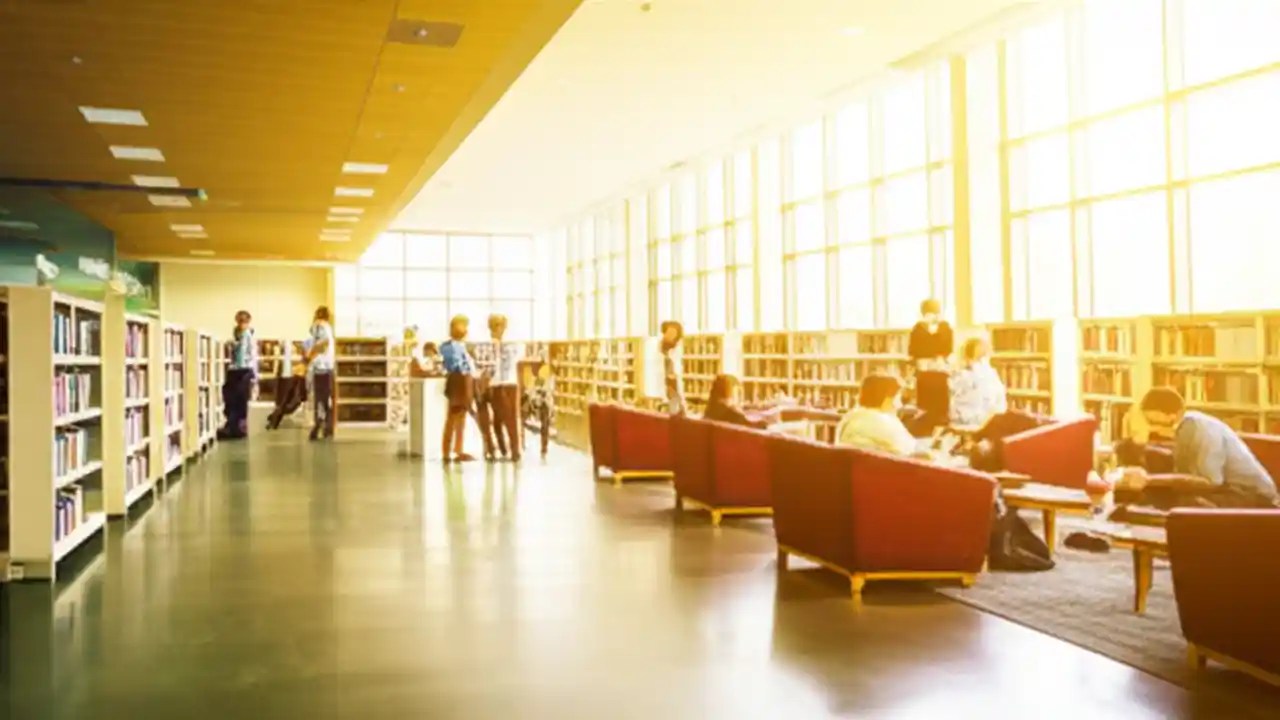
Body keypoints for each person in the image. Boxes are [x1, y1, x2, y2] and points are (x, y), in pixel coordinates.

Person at [1119, 387, 1279, 509]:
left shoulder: (1197, 427)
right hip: (1227, 488)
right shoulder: (1185, 427)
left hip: (1252, 496)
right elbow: (1183, 468)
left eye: (1153, 421)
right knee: (1156, 487)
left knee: (1185, 502)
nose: (1152, 428)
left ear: (1173, 415)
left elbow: (1209, 482)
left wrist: (1149, 480)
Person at [835, 374, 919, 456]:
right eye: (897, 398)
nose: (899, 405)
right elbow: (910, 449)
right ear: (887, 398)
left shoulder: (851, 417)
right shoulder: (883, 421)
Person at [477, 314, 523, 462]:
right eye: (496, 325)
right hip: (497, 384)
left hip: (508, 383)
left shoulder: (510, 344)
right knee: (500, 418)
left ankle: (514, 450)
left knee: (510, 418)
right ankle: (504, 449)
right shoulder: (488, 344)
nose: (499, 328)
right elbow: (486, 365)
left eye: (501, 325)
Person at [440, 315, 477, 462]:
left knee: (461, 417)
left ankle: (458, 449)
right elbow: (455, 365)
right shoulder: (448, 347)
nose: (465, 330)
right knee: (453, 416)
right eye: (463, 326)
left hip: (465, 382)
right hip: (457, 382)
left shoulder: (464, 346)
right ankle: (446, 451)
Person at [949, 336, 1007, 428]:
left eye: (984, 355)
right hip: (971, 419)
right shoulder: (961, 375)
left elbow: (1000, 397)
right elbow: (954, 398)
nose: (982, 360)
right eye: (979, 357)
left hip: (991, 417)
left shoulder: (991, 373)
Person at [218, 310, 256, 440]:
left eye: (244, 321)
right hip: (239, 370)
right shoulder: (239, 334)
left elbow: (243, 354)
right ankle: (235, 427)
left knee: (238, 399)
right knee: (235, 400)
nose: (241, 324)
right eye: (240, 321)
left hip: (242, 370)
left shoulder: (246, 335)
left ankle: (237, 428)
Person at [304, 306, 336, 441]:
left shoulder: (318, 326)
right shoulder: (329, 328)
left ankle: (318, 424)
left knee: (320, 400)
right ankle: (328, 427)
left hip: (320, 368)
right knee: (327, 399)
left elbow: (322, 343)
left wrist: (309, 356)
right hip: (329, 367)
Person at [704, 374, 776, 429]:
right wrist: (765, 422)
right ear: (729, 391)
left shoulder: (711, 408)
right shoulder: (730, 412)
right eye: (736, 390)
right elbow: (751, 425)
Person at [908, 298, 954, 371]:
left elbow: (948, 349)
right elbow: (913, 351)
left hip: (939, 364)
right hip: (925, 365)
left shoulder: (945, 327)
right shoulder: (918, 328)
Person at [661, 320, 685, 415]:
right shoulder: (659, 349)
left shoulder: (677, 351)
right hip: (665, 387)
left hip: (674, 386)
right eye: (668, 332)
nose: (669, 335)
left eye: (673, 333)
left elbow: (676, 373)